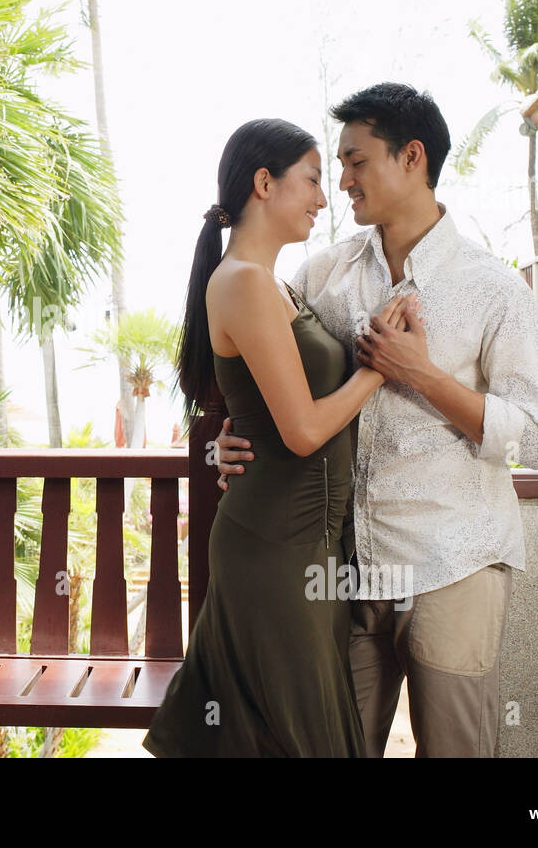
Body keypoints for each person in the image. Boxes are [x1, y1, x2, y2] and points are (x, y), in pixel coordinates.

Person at [211, 83, 538, 758]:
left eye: (356, 161)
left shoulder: (494, 289)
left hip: (453, 562)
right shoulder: (323, 276)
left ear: (412, 159)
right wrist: (225, 446)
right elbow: (256, 368)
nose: (339, 181)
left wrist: (421, 374)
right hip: (344, 571)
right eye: (335, 166)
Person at [140, 118, 419, 758]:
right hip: (276, 549)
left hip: (309, 549)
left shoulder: (273, 283)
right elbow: (302, 431)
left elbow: (271, 406)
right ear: (264, 183)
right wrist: (383, 366)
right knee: (304, 736)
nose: (325, 197)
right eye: (314, 179)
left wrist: (238, 433)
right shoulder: (241, 281)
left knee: (293, 732)